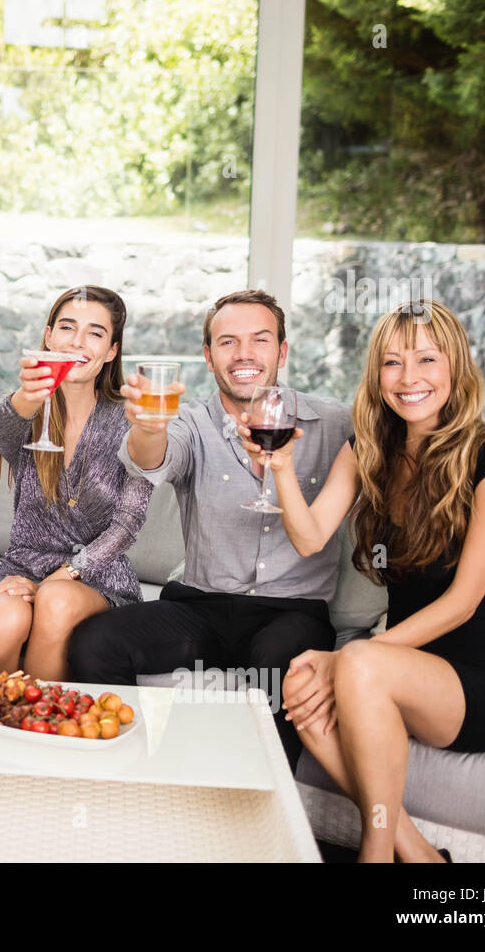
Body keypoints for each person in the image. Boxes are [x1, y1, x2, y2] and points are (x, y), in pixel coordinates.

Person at [239, 300, 485, 862]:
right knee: (303, 693)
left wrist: (348, 661)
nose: (409, 379)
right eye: (392, 363)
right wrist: (279, 470)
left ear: (456, 368)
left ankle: (375, 857)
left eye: (427, 359)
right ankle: (422, 858)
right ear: (377, 375)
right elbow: (309, 537)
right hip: (395, 675)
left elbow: (462, 603)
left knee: (345, 663)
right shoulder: (371, 449)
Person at [67, 288, 352, 768]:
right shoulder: (191, 421)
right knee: (94, 642)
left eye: (259, 340)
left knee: (280, 667)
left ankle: (264, 819)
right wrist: (147, 428)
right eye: (227, 342)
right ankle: (127, 778)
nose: (244, 354)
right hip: (201, 606)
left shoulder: (336, 423)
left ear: (282, 351)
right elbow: (151, 461)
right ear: (208, 355)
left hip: (292, 611)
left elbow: (403, 443)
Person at [0, 286, 152, 680]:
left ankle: (39, 735)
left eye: (95, 333)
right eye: (67, 327)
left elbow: (128, 523)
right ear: (49, 336)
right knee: (2, 622)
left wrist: (59, 577)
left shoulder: (131, 419)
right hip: (24, 563)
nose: (77, 342)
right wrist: (29, 393)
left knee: (55, 602)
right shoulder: (27, 411)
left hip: (98, 574)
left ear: (112, 350)